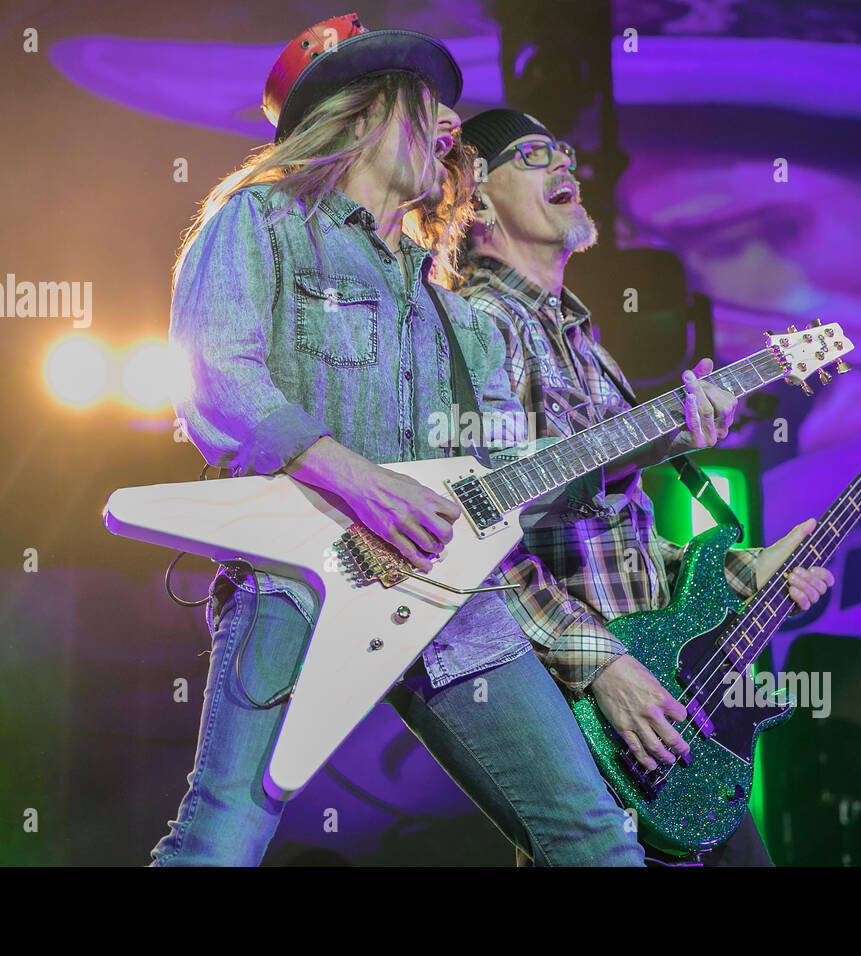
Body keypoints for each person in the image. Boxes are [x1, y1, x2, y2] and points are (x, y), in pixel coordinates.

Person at [154, 16, 649, 866]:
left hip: (454, 599)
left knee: (597, 838)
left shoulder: (458, 315)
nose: (451, 124)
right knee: (221, 835)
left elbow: (510, 474)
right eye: (427, 105)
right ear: (360, 112)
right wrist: (360, 481)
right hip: (300, 582)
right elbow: (217, 381)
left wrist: (649, 443)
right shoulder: (262, 221)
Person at [457, 109, 836, 865]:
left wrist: (745, 571)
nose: (564, 164)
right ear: (477, 193)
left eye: (564, 150)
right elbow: (476, 544)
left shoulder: (586, 346)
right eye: (533, 155)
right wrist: (601, 664)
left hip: (665, 709)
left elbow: (624, 545)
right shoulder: (479, 326)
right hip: (591, 719)